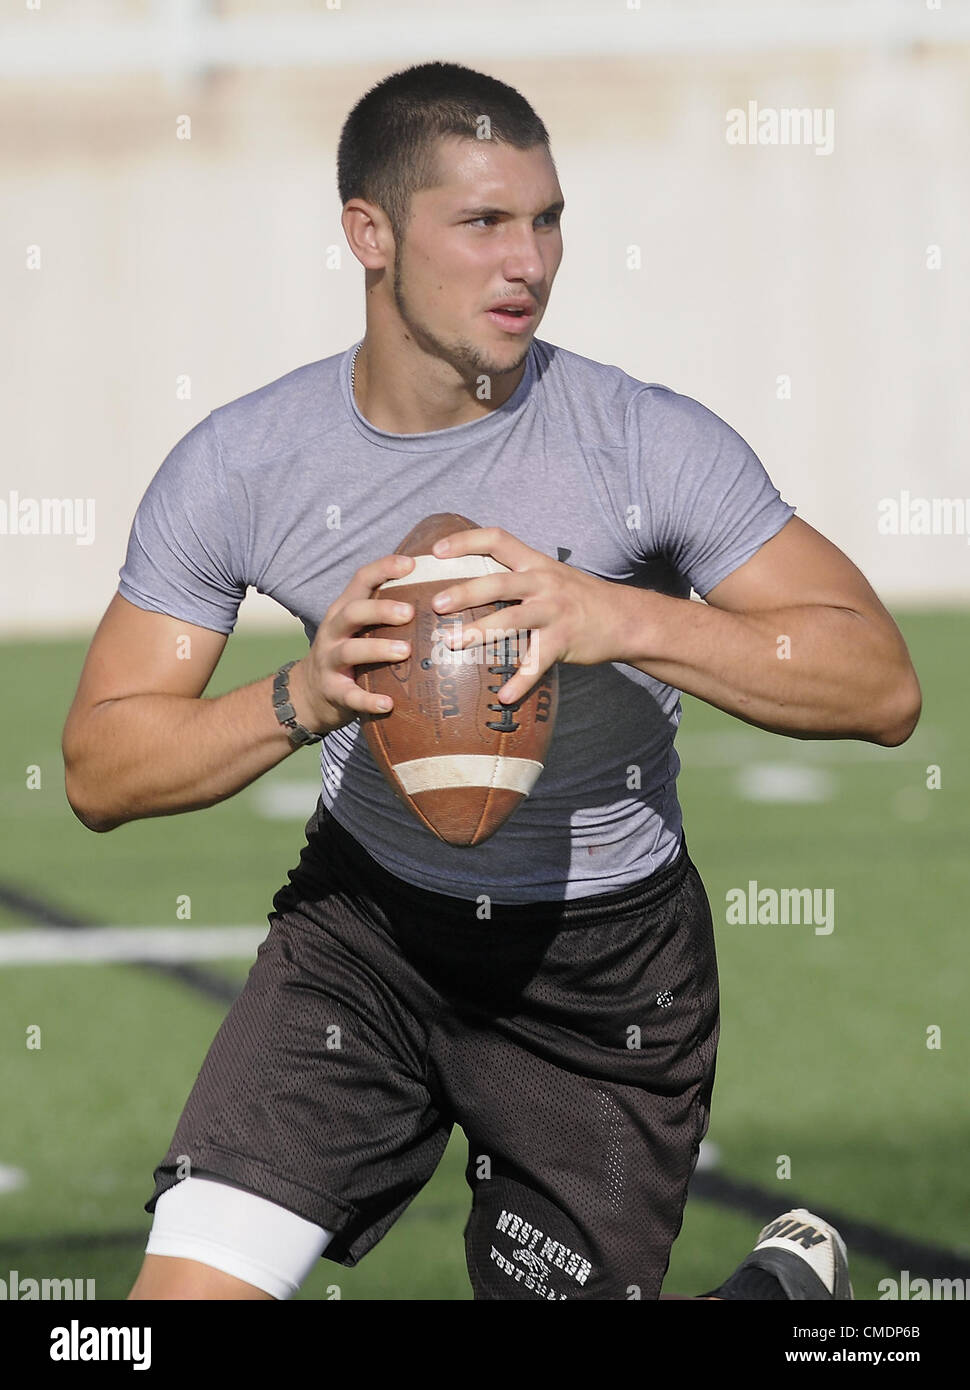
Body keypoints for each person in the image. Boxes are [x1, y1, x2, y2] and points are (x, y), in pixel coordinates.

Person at [62, 61, 919, 1301]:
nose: (528, 261)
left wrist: (613, 613)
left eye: (547, 218)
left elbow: (880, 684)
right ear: (369, 233)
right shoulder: (245, 463)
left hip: (602, 974)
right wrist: (301, 695)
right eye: (481, 223)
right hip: (366, 935)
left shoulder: (644, 441)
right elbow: (97, 765)